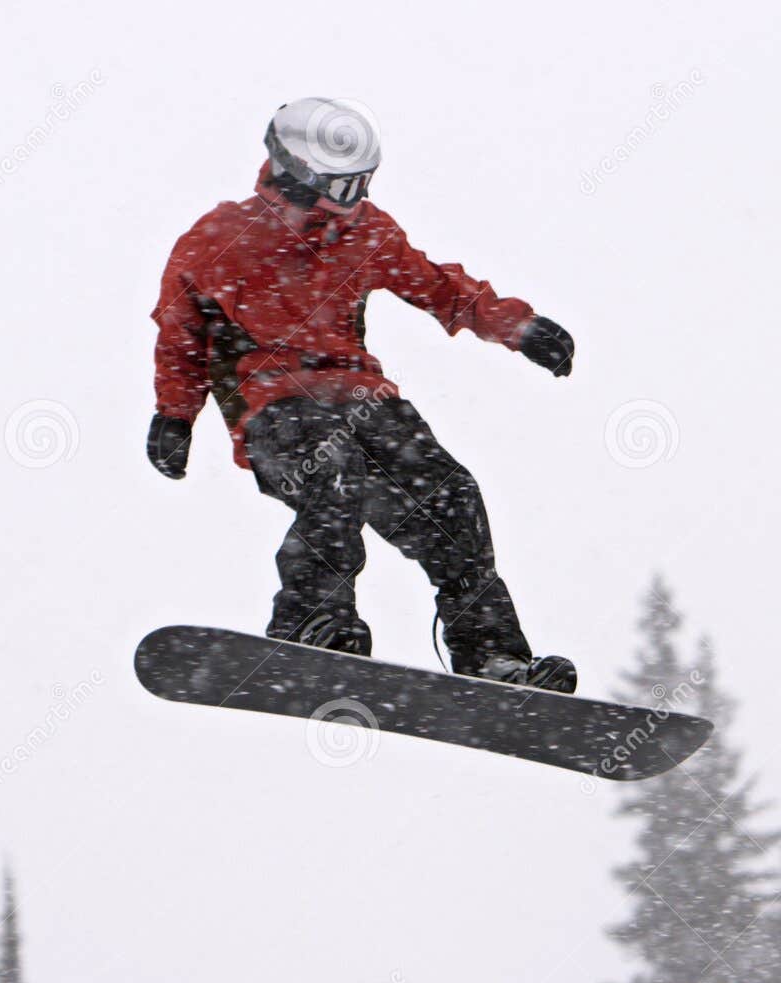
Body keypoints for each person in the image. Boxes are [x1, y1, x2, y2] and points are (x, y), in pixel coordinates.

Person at [145, 98, 577, 691]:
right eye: (345, 185)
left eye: (363, 183)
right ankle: (312, 620)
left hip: (365, 399)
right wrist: (174, 416)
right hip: (275, 405)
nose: (356, 198)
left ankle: (491, 656)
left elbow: (442, 289)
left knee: (451, 496)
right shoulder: (222, 237)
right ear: (299, 171)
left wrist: (520, 328)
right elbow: (181, 332)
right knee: (332, 475)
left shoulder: (364, 231)